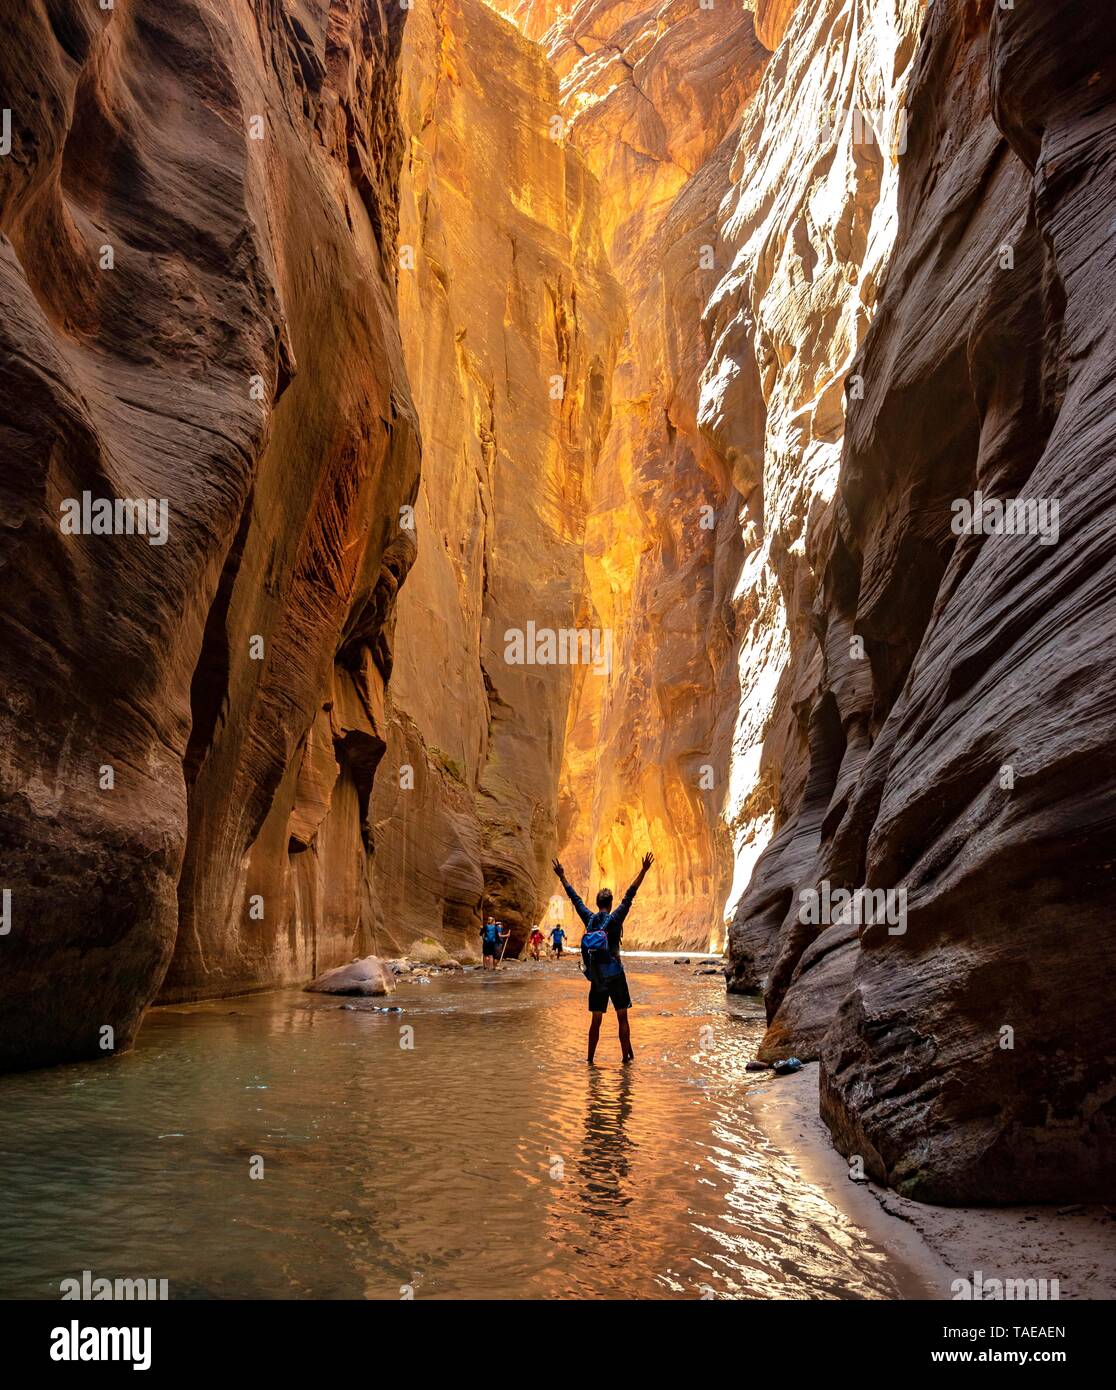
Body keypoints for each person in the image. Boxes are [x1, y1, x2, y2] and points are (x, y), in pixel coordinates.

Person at [551, 852, 654, 1064]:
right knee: (622, 1018)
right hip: (615, 974)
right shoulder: (616, 918)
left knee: (595, 1021)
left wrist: (562, 876)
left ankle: (590, 1060)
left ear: (597, 903)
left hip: (596, 976)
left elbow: (574, 898)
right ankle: (625, 1061)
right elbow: (630, 894)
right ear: (611, 902)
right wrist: (643, 870)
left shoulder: (589, 918)